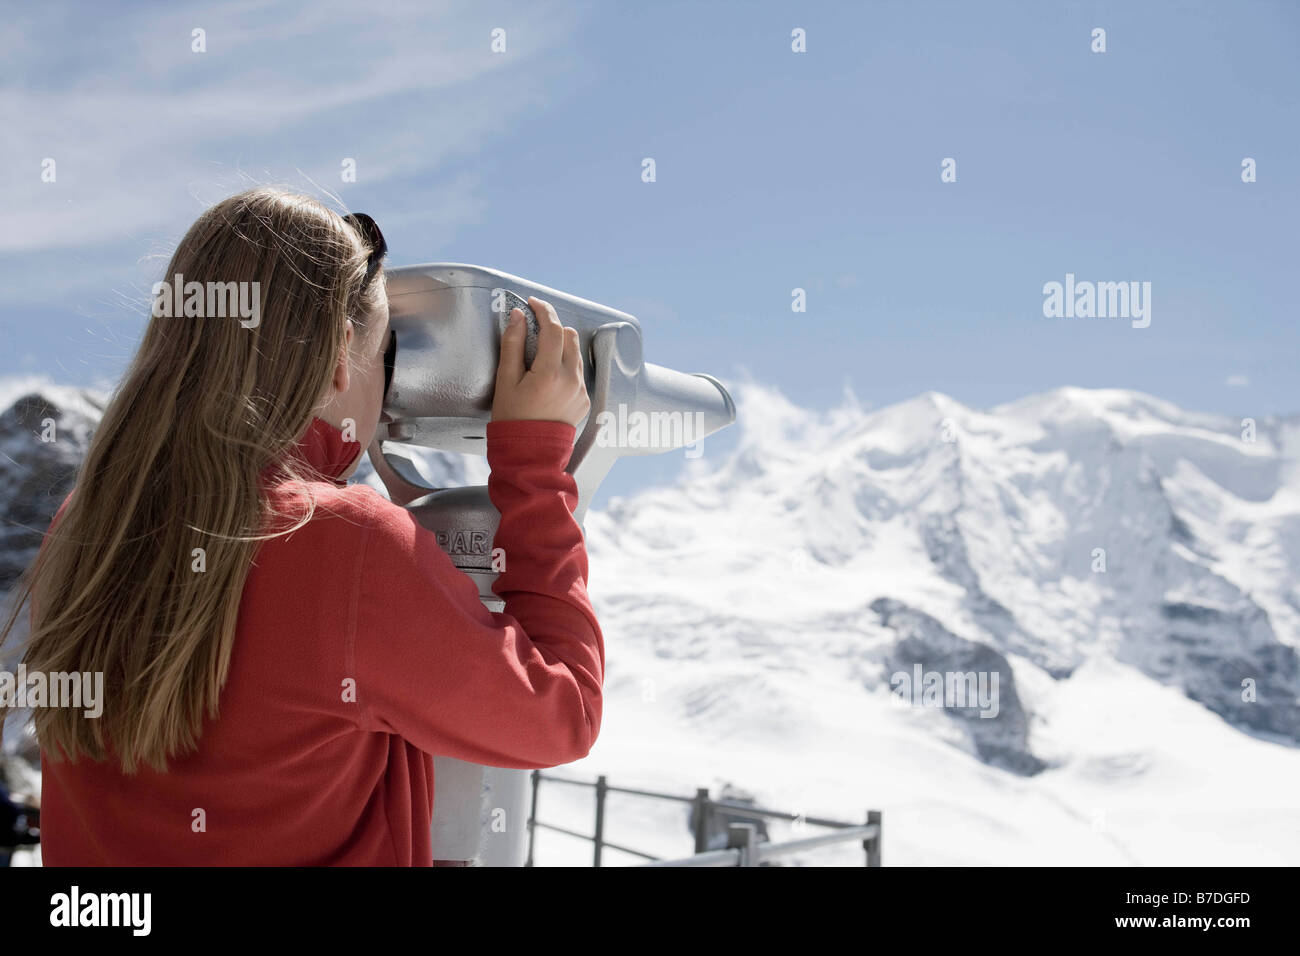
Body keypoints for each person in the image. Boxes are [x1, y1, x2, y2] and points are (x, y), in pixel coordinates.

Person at [0, 186, 603, 865]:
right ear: (341, 350)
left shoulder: (85, 519)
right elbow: (563, 714)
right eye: (387, 359)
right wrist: (534, 461)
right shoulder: (345, 542)